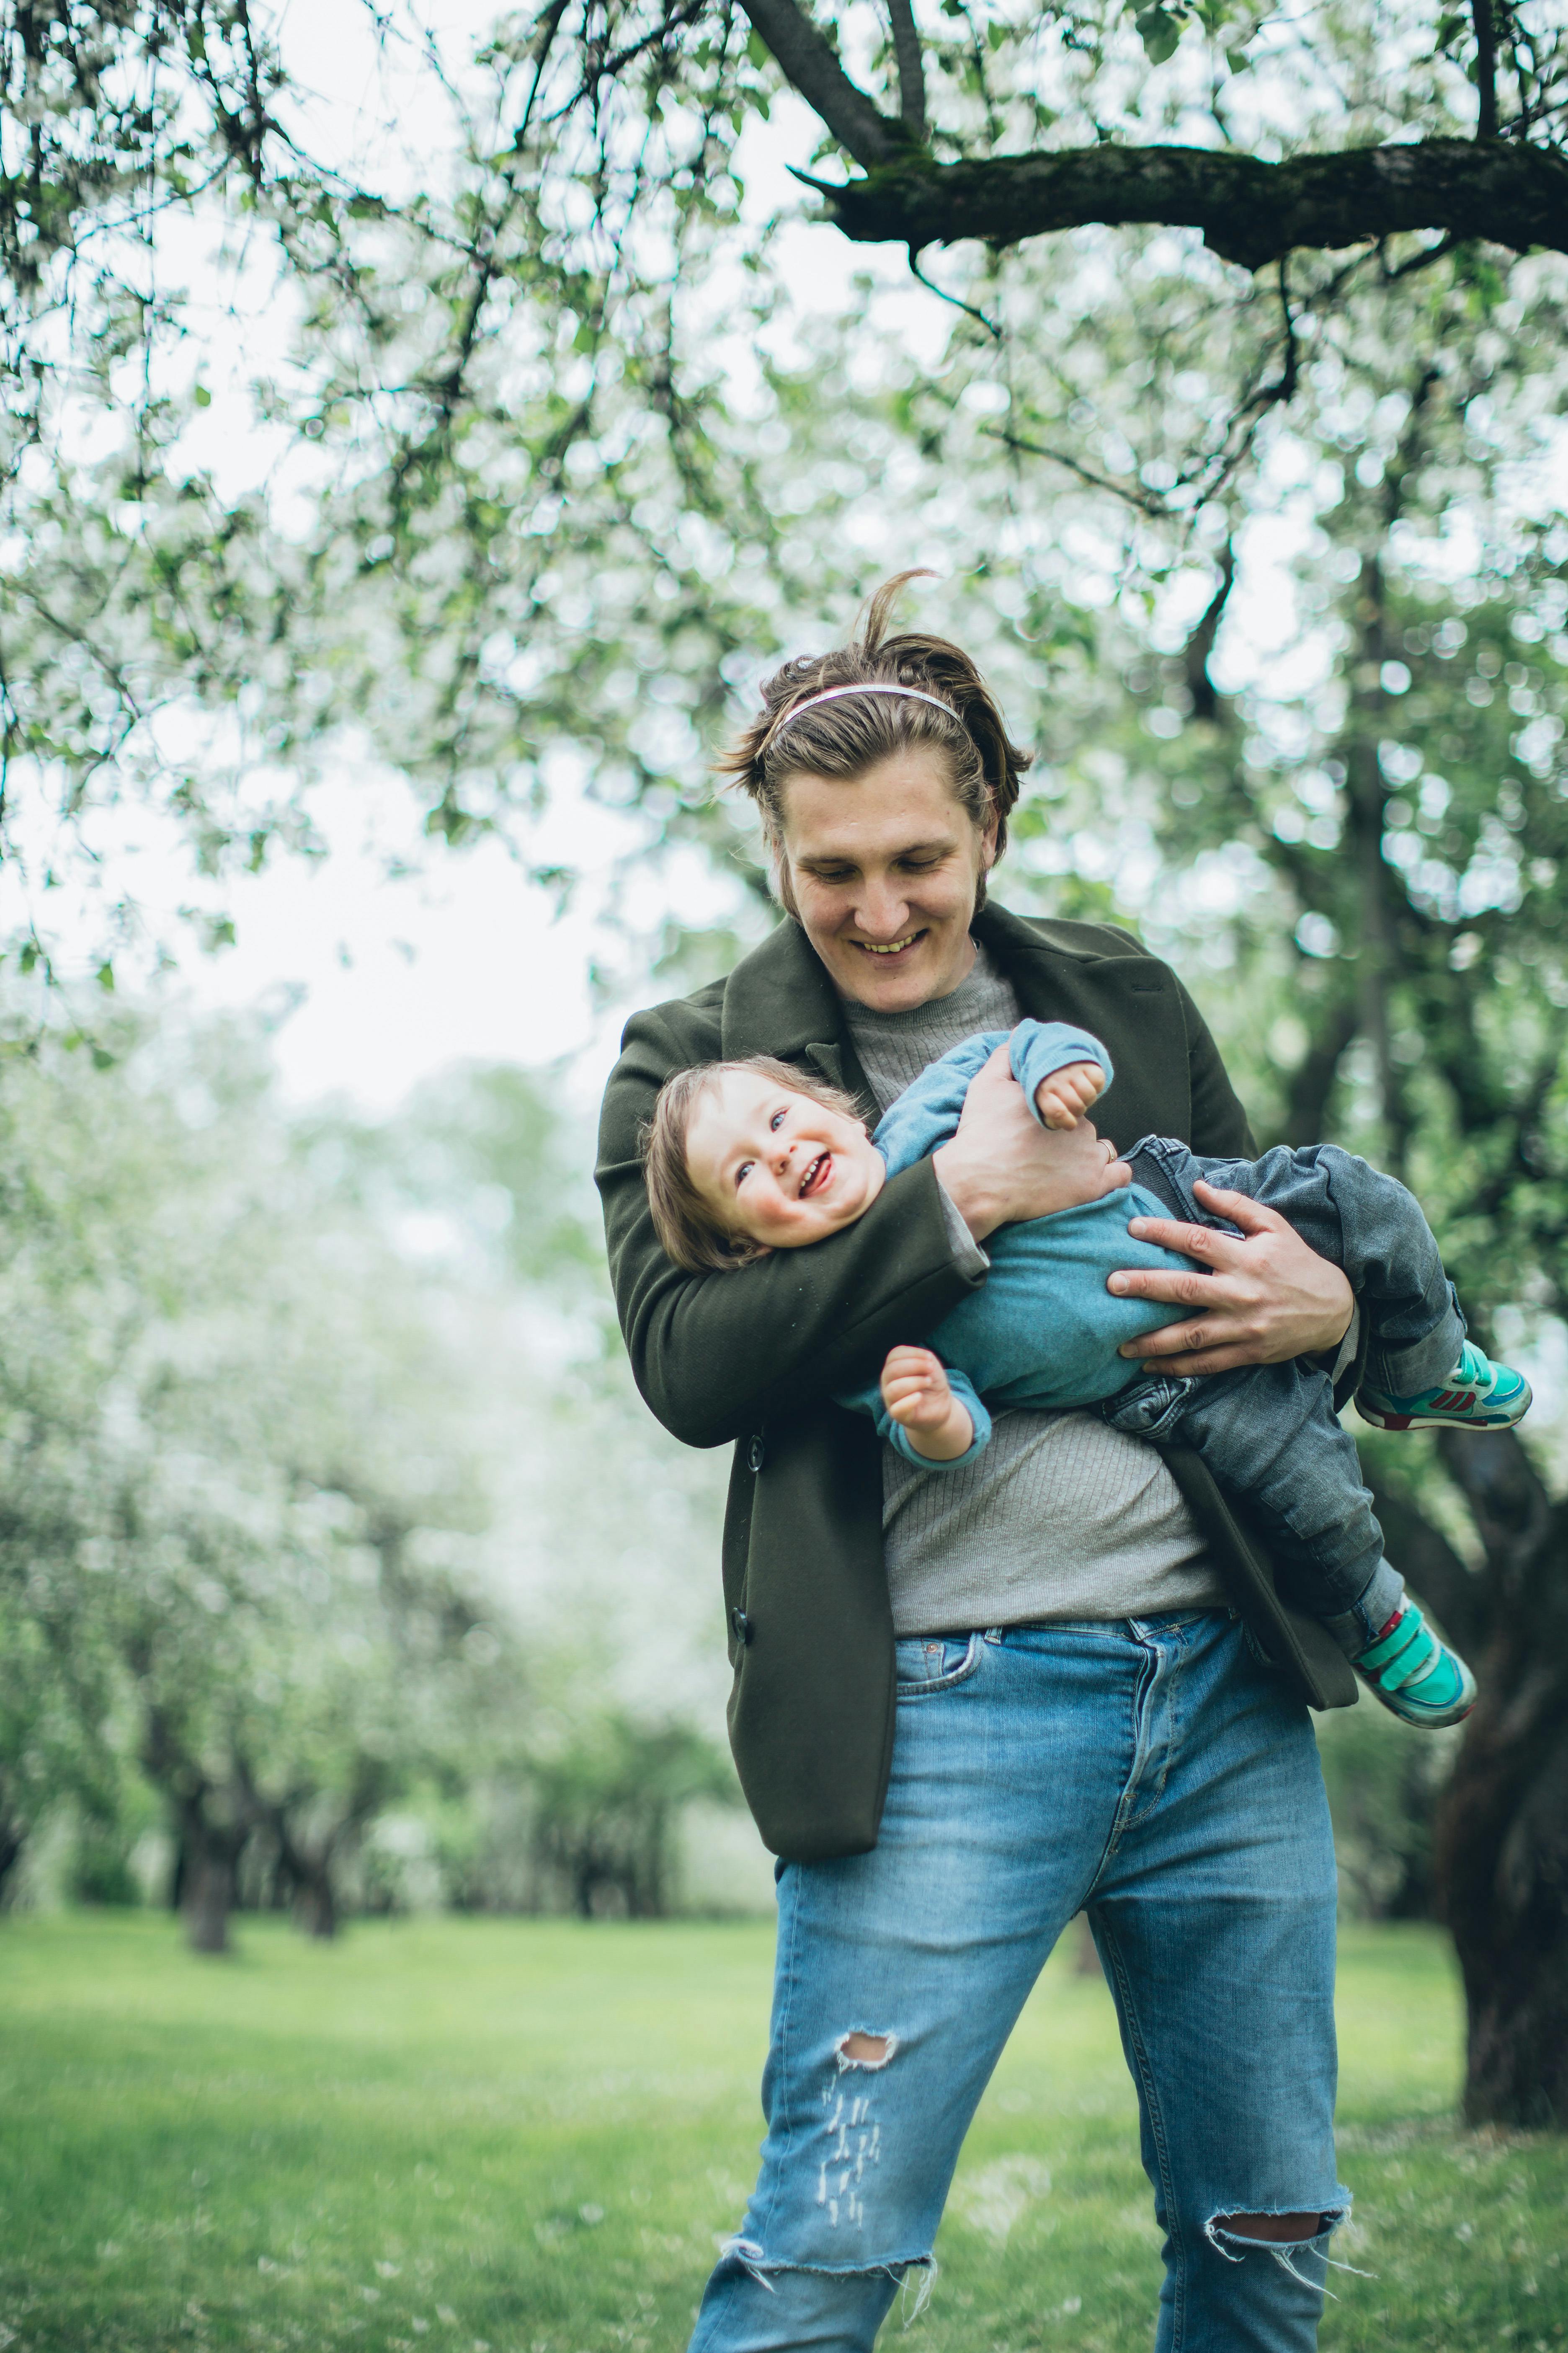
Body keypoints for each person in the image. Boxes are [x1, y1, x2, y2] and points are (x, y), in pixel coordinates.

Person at [596, 574, 1441, 2352]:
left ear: (991, 821)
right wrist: (952, 1198)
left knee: (1265, 2228)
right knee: (824, 2247)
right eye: (832, 871)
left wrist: (1328, 1315)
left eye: (920, 858)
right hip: (939, 1712)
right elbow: (691, 1362)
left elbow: (1244, 1235)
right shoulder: (688, 1072)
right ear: (773, 844)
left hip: (1225, 1691)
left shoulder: (1117, 992)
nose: (880, 908)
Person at [639, 1015, 1529, 1728]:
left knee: (1361, 1193)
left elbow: (1022, 1045)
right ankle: (1376, 1616)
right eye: (746, 1170)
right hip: (1173, 1386)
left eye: (780, 1119)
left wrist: (1066, 1069)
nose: (782, 1151)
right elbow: (959, 1432)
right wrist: (937, 1419)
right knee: (1313, 1495)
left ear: (832, 1106)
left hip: (1188, 1203)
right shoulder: (861, 1336)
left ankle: (1423, 1361)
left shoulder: (930, 1110)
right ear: (748, 1247)